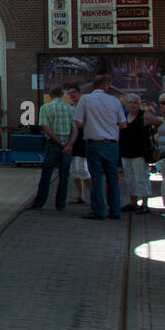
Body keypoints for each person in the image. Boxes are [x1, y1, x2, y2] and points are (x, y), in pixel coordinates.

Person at [66, 73, 126, 220]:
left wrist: (92, 122)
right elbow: (123, 124)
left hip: (94, 143)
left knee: (96, 177)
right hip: (112, 144)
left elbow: (78, 123)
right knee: (112, 177)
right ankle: (115, 210)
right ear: (106, 86)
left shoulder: (86, 99)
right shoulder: (115, 101)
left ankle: (98, 210)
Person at [31, 85, 73, 210]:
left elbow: (46, 128)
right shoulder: (70, 108)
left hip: (53, 144)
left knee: (46, 173)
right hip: (67, 145)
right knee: (64, 175)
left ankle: (40, 202)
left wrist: (59, 142)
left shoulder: (46, 107)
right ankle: (60, 204)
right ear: (62, 95)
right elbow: (75, 130)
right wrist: (68, 144)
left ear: (50, 94)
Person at [118, 93, 154, 213]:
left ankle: (145, 203)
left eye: (135, 102)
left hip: (140, 153)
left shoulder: (144, 116)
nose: (132, 105)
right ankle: (133, 202)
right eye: (130, 102)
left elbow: (158, 123)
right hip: (126, 152)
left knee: (141, 178)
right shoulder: (123, 116)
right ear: (126, 104)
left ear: (139, 104)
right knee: (129, 178)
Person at [64, 84, 89, 204]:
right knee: (74, 170)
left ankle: (94, 195)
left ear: (79, 93)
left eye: (73, 92)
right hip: (72, 141)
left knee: (82, 169)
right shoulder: (69, 108)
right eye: (70, 93)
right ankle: (81, 195)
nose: (72, 95)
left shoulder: (85, 107)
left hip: (82, 141)